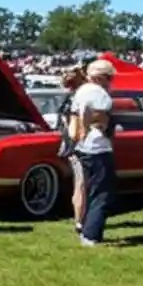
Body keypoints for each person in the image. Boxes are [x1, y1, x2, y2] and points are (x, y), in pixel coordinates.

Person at [73, 59, 117, 246]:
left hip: (83, 146)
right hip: (98, 146)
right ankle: (91, 235)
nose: (111, 81)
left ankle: (85, 227)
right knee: (103, 193)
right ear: (101, 77)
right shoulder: (100, 95)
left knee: (89, 188)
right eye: (109, 77)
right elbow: (101, 118)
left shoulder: (81, 91)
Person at [57, 67, 87, 234]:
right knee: (82, 184)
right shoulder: (77, 99)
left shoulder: (67, 98)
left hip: (69, 144)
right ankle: (80, 221)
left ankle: (80, 218)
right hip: (78, 144)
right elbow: (73, 129)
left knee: (79, 183)